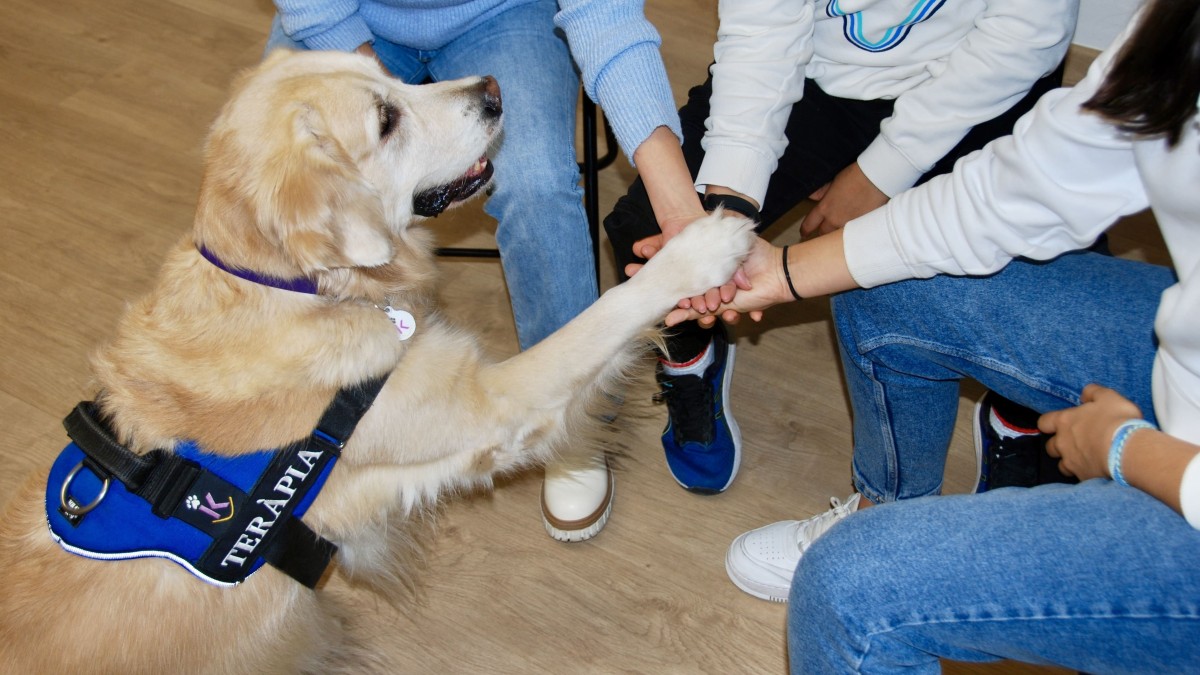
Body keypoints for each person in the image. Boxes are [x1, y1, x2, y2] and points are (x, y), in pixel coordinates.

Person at [647, 0, 1200, 669]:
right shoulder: (1175, 27)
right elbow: (1023, 190)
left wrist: (1130, 452)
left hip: (1175, 467)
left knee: (846, 594)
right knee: (875, 278)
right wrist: (785, 269)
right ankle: (889, 505)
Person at [263, 0, 707, 542]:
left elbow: (604, 15)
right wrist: (399, 112)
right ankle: (299, 413)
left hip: (508, 12)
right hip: (341, 19)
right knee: (278, 202)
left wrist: (680, 210)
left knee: (537, 185)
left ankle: (569, 420)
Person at [603, 0, 1079, 496]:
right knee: (645, 235)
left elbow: (1025, 34)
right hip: (816, 69)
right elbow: (762, 33)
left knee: (1050, 279)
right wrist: (728, 215)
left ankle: (1019, 421)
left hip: (983, 83)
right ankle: (691, 361)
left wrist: (883, 169)